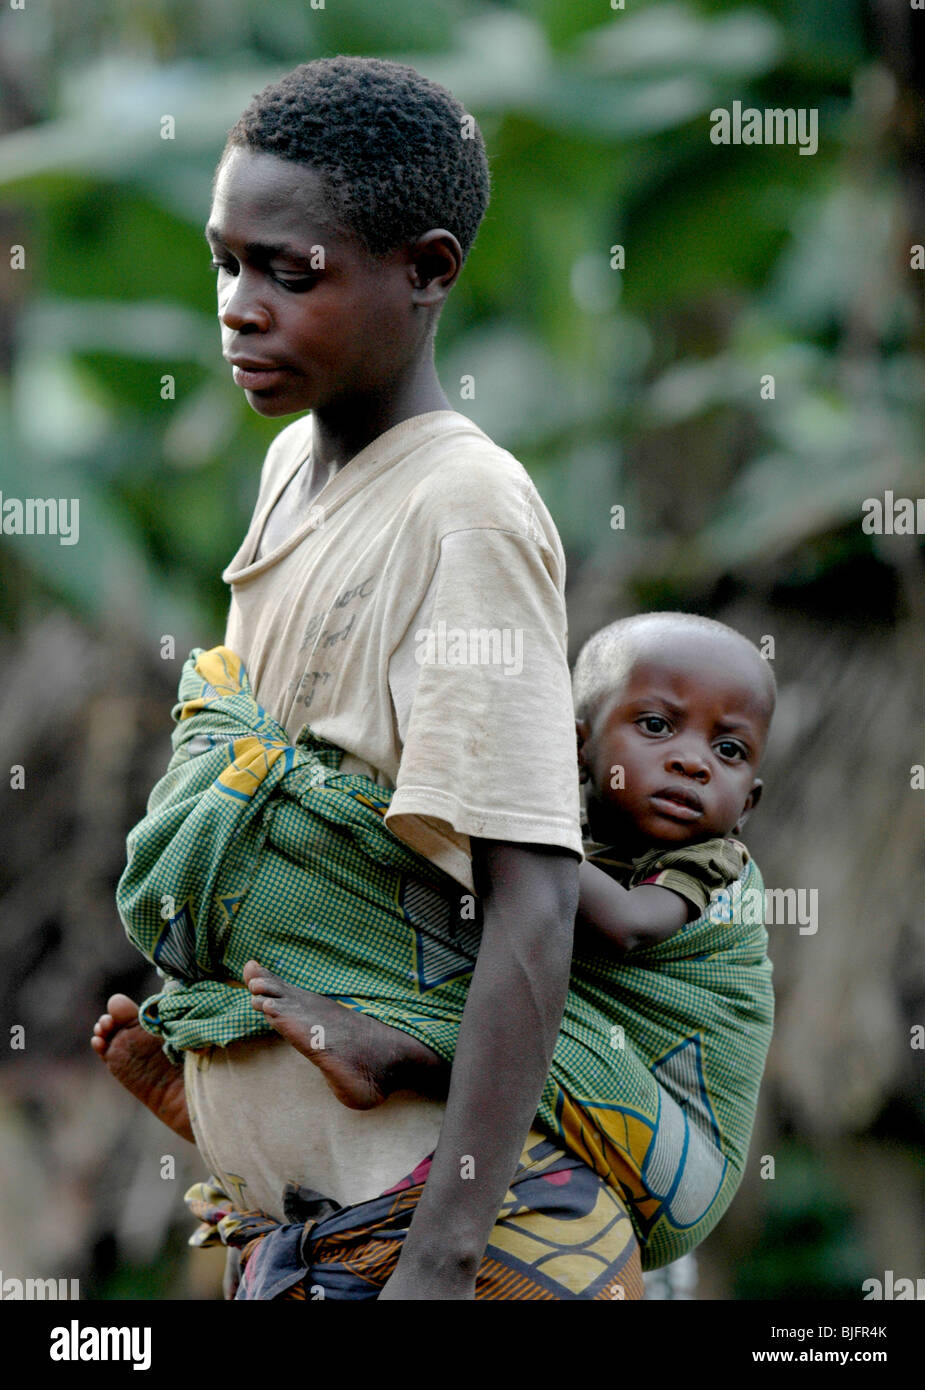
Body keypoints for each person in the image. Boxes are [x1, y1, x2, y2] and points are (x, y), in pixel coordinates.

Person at [93, 54, 644, 1301]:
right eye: (226, 261)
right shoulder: (292, 464)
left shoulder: (465, 510)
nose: (239, 306)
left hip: (413, 1241)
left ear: (428, 270)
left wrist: (442, 1261)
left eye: (293, 272)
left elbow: (533, 902)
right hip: (296, 1245)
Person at [96, 611, 776, 1291]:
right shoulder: (566, 822)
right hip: (602, 1083)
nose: (692, 761)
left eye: (729, 751)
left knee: (517, 1006)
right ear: (572, 748)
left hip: (673, 1152)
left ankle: (398, 1056)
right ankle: (223, 1100)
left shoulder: (711, 863)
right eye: (657, 726)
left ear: (746, 804)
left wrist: (490, 822)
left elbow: (624, 925)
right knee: (475, 965)